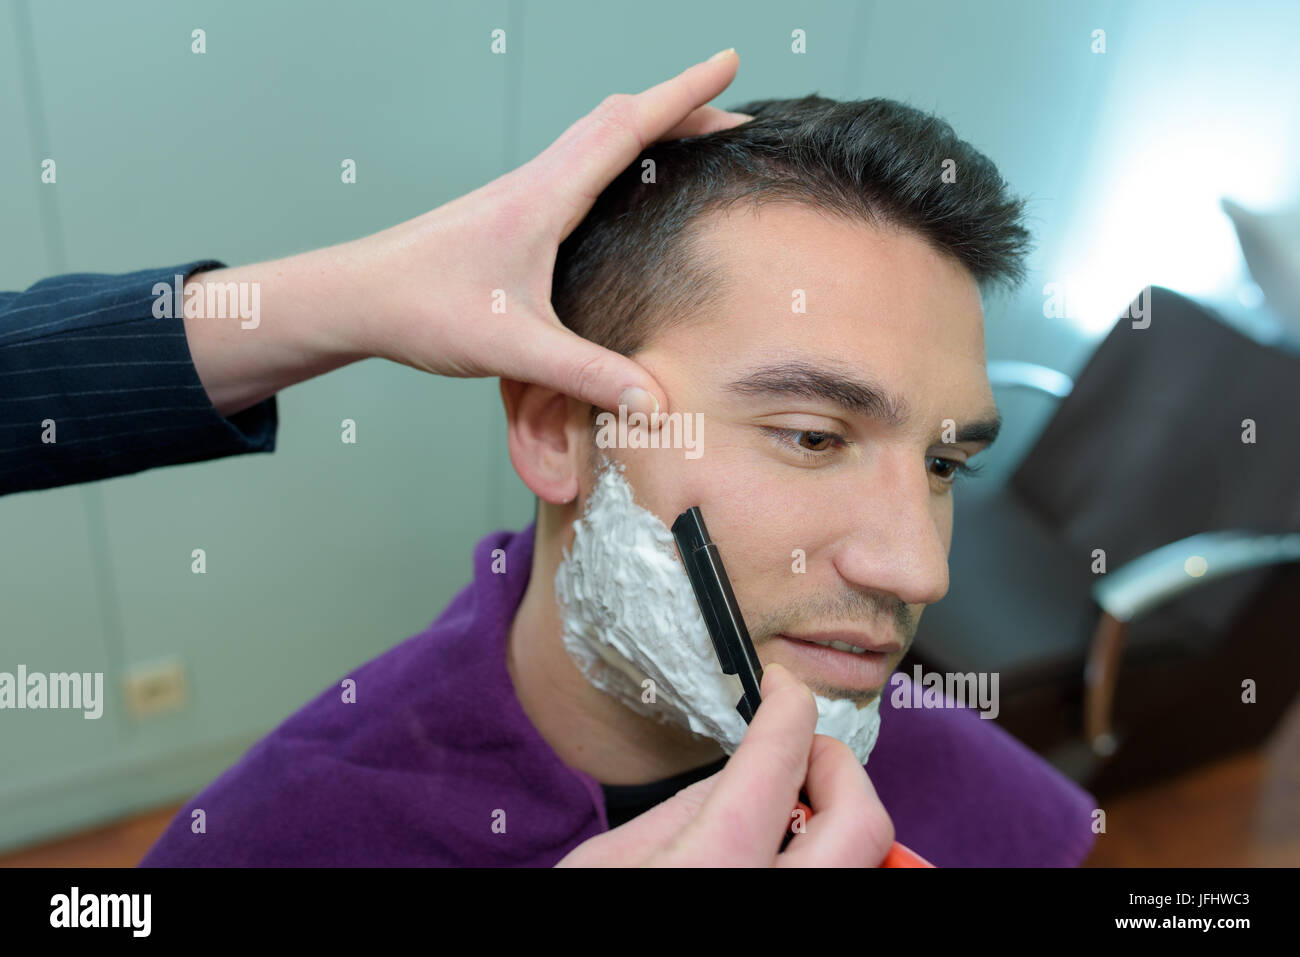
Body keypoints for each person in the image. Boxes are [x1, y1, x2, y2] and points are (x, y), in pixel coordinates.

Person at [137, 83, 1098, 866]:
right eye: (812, 437)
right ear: (558, 429)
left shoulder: (1012, 817)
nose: (919, 568)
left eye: (943, 462)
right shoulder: (270, 840)